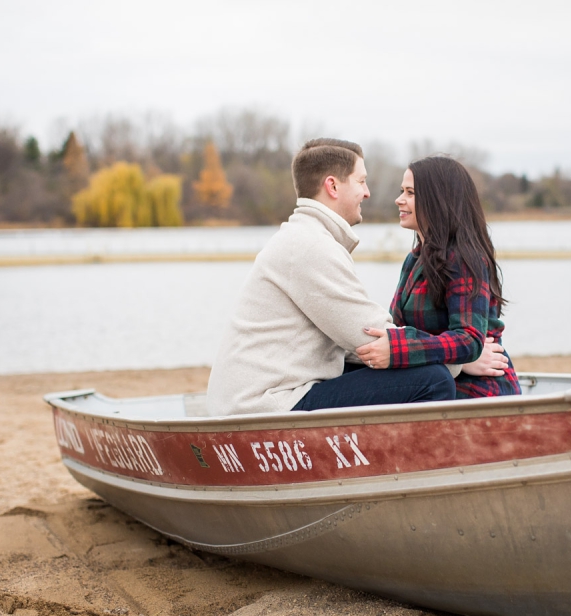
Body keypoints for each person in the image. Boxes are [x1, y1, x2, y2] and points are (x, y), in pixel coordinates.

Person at [206, 139, 456, 416]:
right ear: (333, 186)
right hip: (265, 404)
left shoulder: (303, 237)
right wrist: (460, 358)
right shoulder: (311, 247)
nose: (367, 192)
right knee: (434, 380)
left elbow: (355, 345)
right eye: (361, 181)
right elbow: (370, 334)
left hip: (258, 397)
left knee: (395, 367)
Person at [355, 155, 522, 398]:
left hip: (478, 392)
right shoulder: (415, 259)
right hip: (439, 381)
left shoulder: (464, 258)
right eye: (402, 191)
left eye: (410, 193)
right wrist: (459, 363)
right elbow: (400, 326)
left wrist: (401, 347)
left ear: (438, 199)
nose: (399, 200)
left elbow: (469, 339)